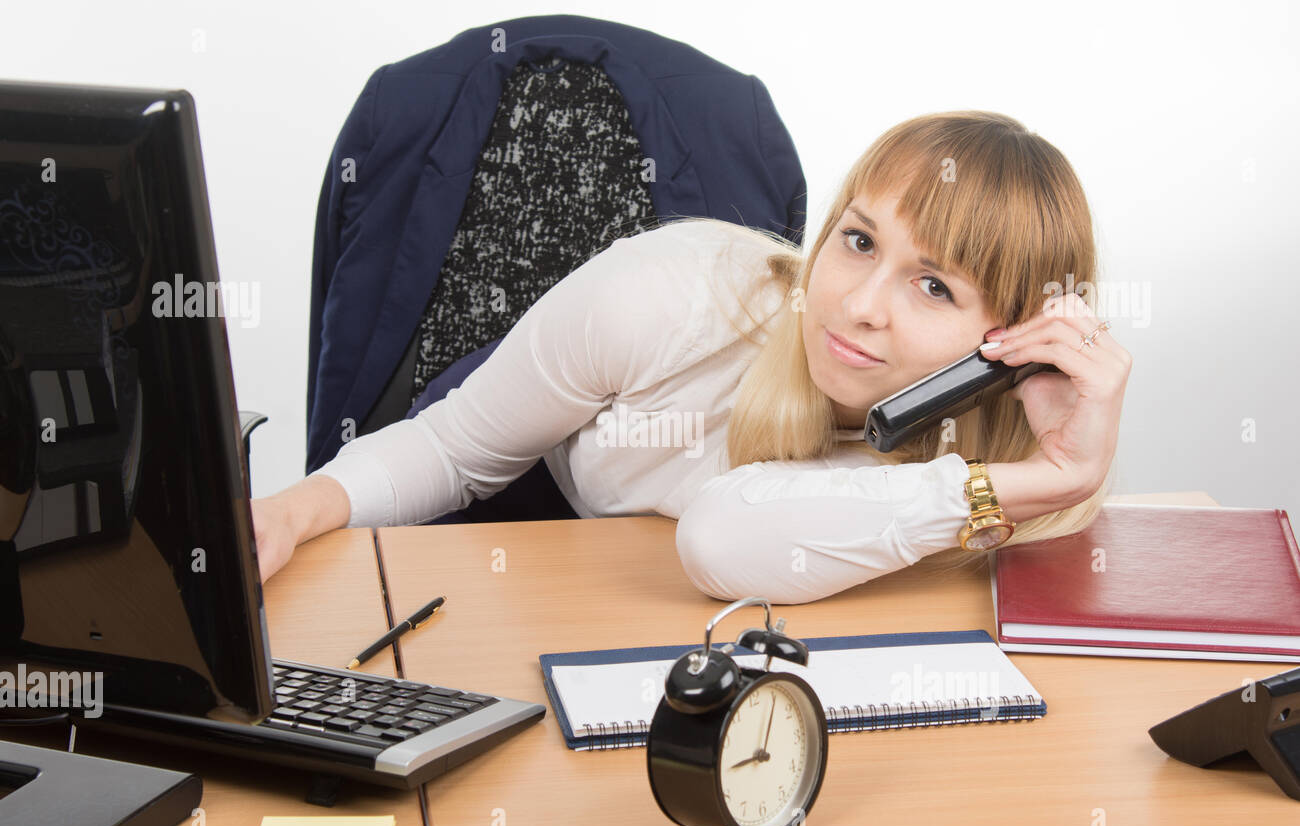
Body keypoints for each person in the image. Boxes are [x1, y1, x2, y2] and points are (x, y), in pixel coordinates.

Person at [252, 110, 1131, 604]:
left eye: (933, 286)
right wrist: (288, 515)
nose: (860, 307)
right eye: (859, 241)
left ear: (1008, 341)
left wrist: (1057, 472)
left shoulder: (980, 438)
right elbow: (451, 450)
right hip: (535, 568)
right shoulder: (664, 297)